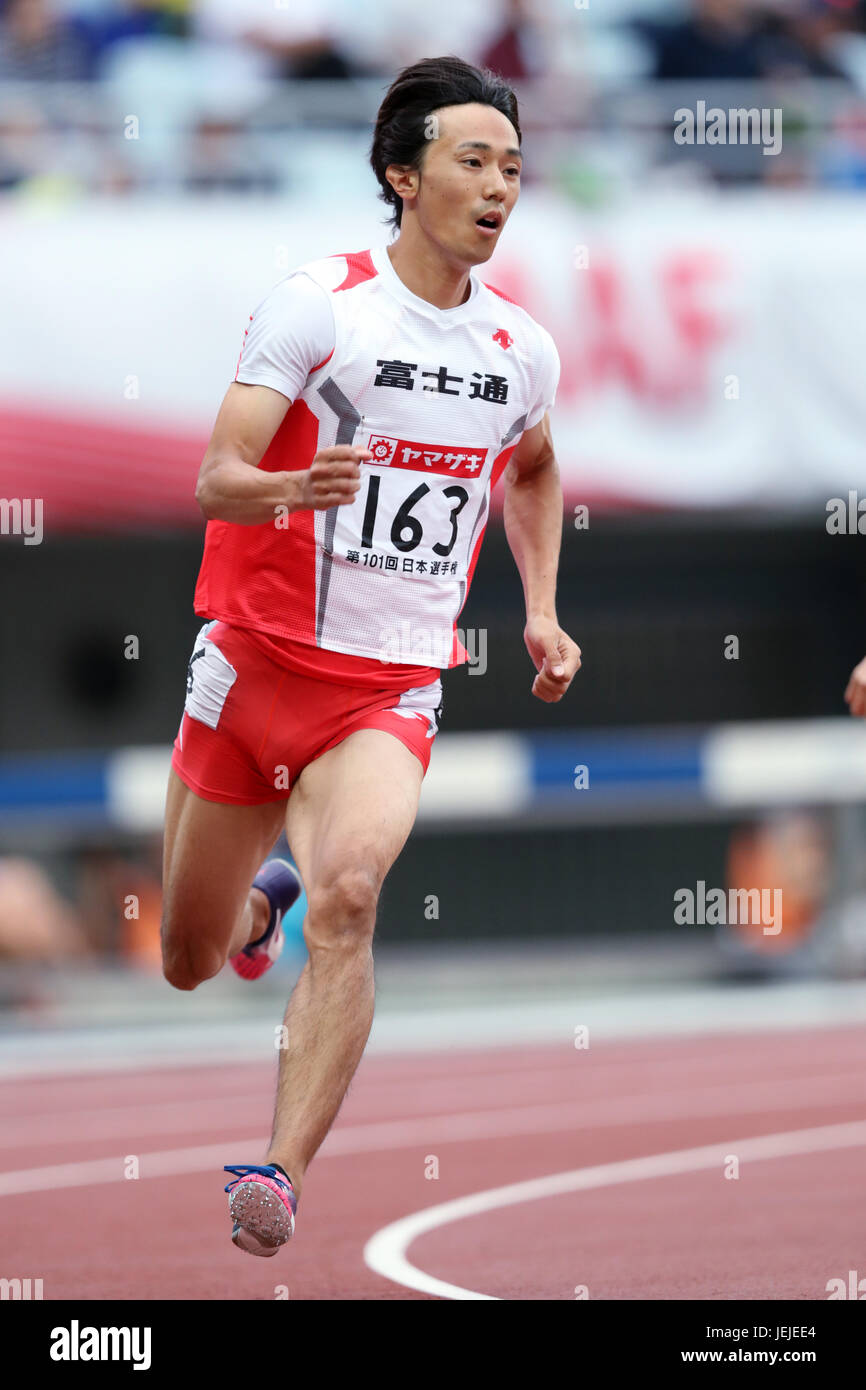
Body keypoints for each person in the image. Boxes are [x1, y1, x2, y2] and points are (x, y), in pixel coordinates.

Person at [161, 54, 581, 1258]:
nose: (498, 185)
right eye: (470, 162)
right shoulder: (318, 307)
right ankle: (252, 912)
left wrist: (539, 608)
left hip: (385, 686)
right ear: (401, 176)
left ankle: (277, 1172)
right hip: (253, 666)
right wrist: (292, 484)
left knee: (350, 894)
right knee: (187, 959)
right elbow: (214, 478)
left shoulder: (519, 349)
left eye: (511, 166)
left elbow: (536, 467)